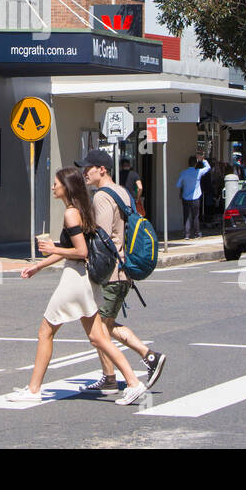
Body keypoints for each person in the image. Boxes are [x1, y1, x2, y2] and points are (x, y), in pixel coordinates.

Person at [7, 167, 148, 406]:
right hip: (84, 279)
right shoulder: (81, 210)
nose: (53, 187)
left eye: (56, 183)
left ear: (67, 187)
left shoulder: (71, 214)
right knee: (98, 337)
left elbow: (80, 252)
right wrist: (39, 266)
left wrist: (53, 249)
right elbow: (75, 249)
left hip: (73, 280)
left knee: (45, 332)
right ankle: (134, 383)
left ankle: (33, 390)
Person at [76, 149, 167, 394]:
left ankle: (148, 356)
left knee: (100, 329)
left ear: (102, 170)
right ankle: (109, 377)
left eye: (88, 168)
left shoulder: (102, 197)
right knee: (102, 326)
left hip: (111, 272)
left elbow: (102, 237)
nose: (84, 173)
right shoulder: (123, 193)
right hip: (122, 270)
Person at [175, 154, 211, 240]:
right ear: (196, 164)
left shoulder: (184, 173)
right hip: (196, 197)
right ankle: (197, 233)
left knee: (186, 216)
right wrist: (203, 160)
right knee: (195, 216)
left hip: (186, 197)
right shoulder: (198, 172)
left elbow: (178, 184)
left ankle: (187, 234)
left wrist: (184, 185)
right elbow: (208, 167)